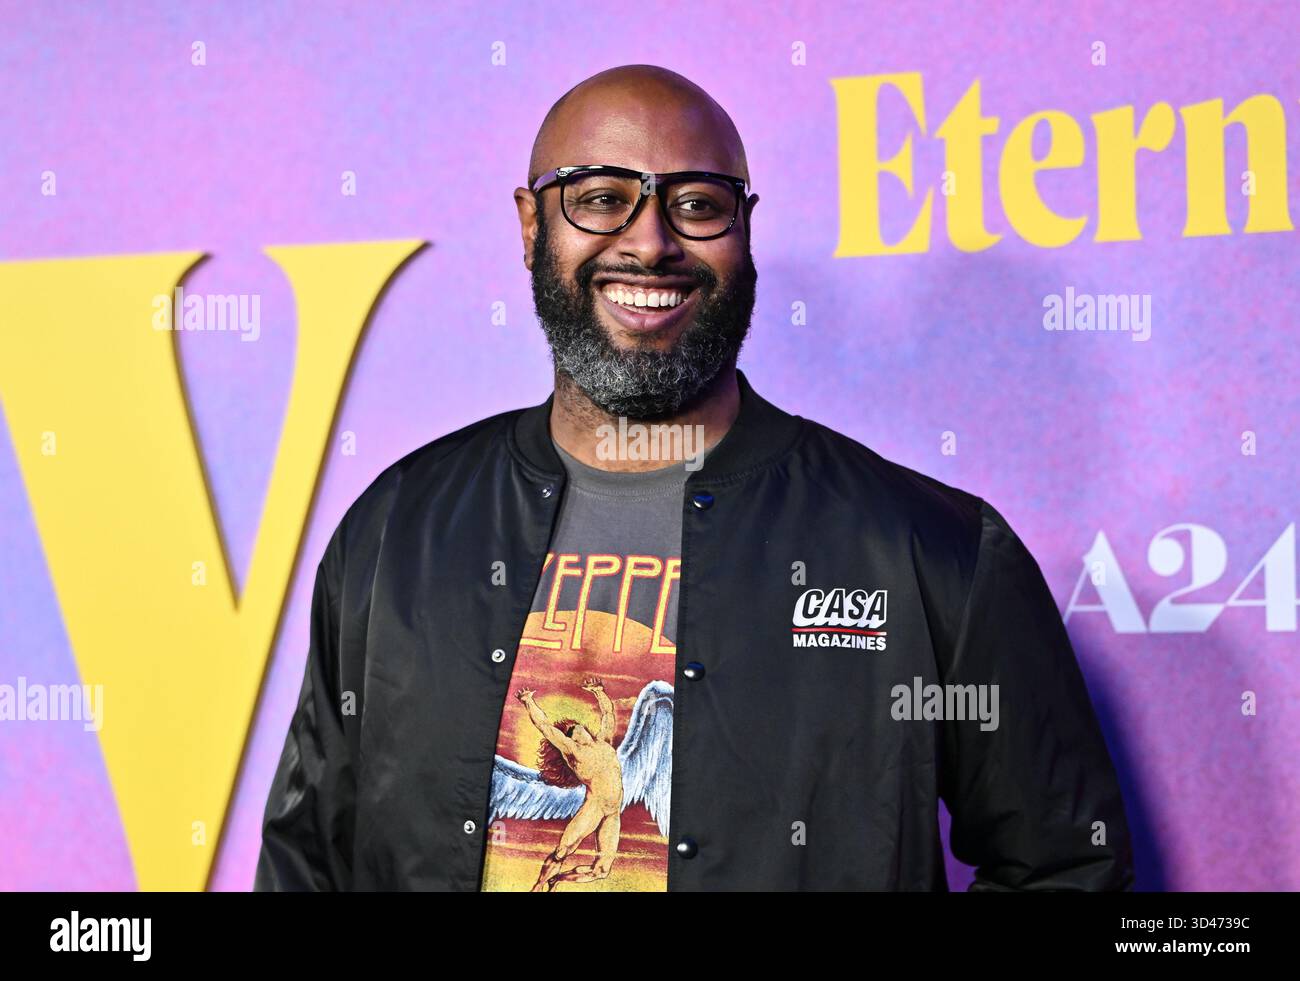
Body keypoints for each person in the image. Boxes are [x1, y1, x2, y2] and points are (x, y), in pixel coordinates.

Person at [253, 64, 1134, 892]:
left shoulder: (926, 550)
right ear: (532, 226)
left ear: (745, 232)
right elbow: (307, 862)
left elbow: (1066, 869)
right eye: (600, 198)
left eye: (697, 205)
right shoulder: (395, 533)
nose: (650, 241)